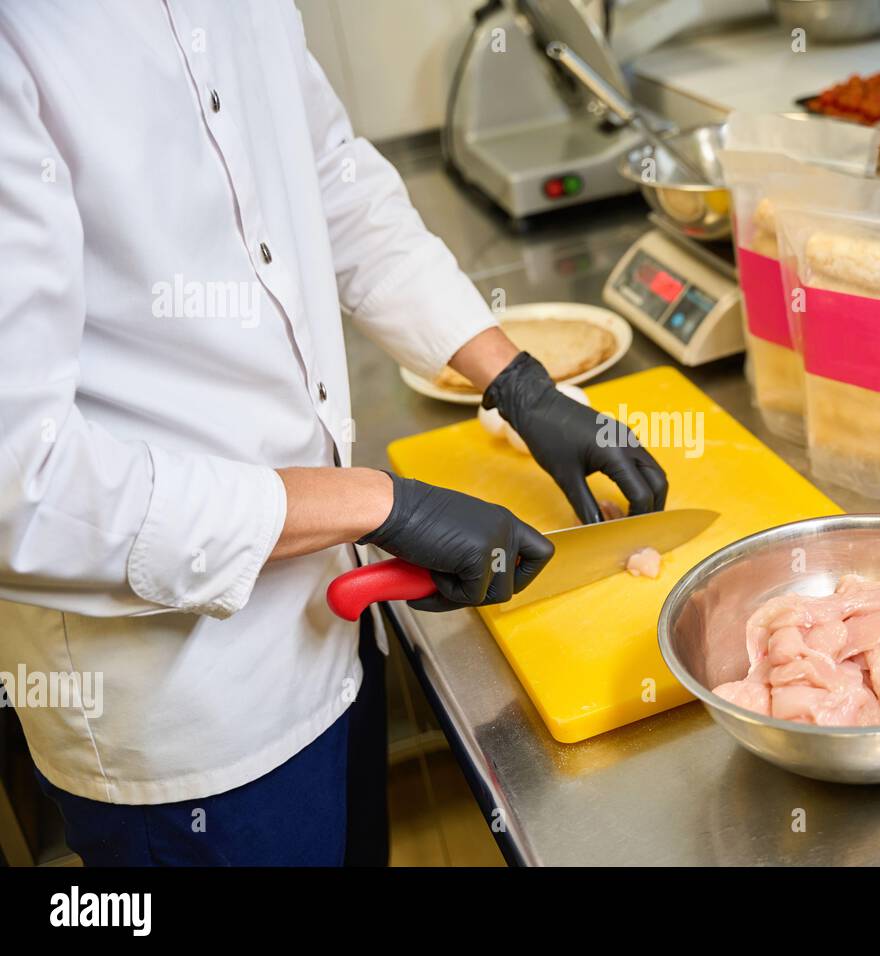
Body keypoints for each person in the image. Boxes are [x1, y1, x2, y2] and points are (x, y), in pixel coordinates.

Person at [0, 0, 666, 866]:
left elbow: (331, 178)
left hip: (332, 622)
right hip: (189, 721)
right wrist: (374, 503)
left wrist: (517, 381)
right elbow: (26, 488)